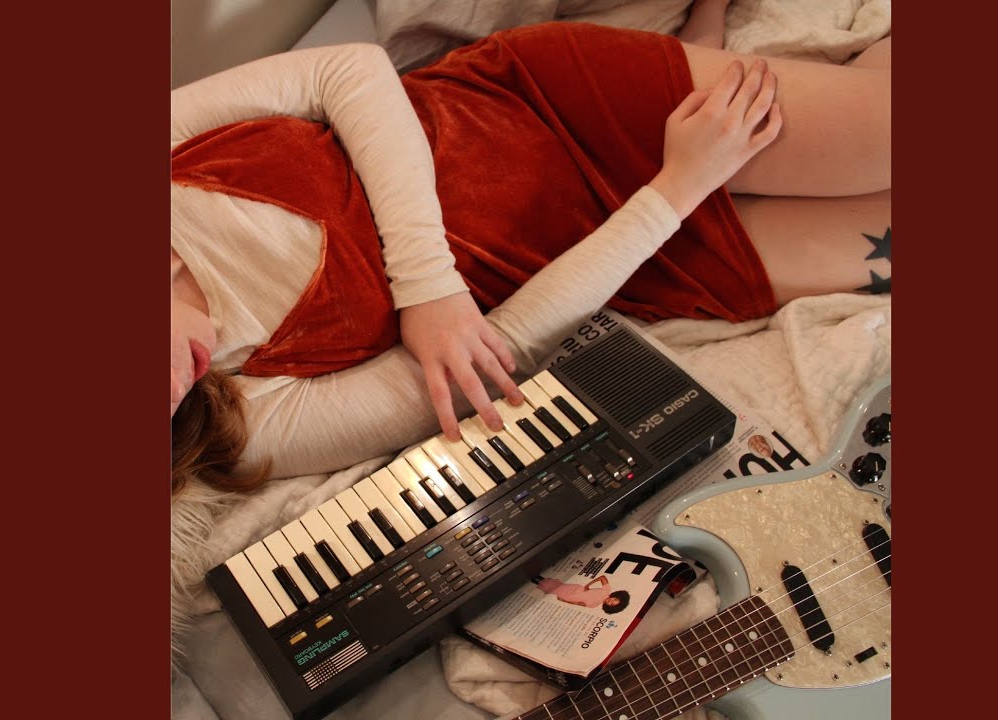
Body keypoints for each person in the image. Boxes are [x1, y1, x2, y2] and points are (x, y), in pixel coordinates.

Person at [170, 9, 890, 495]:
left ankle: (707, 41)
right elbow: (499, 348)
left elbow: (349, 71)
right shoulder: (230, 432)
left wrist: (427, 284)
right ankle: (714, 42)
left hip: (546, 108)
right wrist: (677, 189)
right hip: (626, 255)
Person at [533, 574, 631, 614]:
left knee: (553, 589)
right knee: (556, 585)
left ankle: (537, 581)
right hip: (575, 588)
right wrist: (588, 584)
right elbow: (602, 577)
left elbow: (578, 603)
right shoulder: (607, 590)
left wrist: (564, 601)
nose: (611, 601)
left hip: (570, 597)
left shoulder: (594, 605)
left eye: (612, 604)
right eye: (615, 599)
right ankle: (540, 579)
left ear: (610, 607)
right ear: (616, 596)